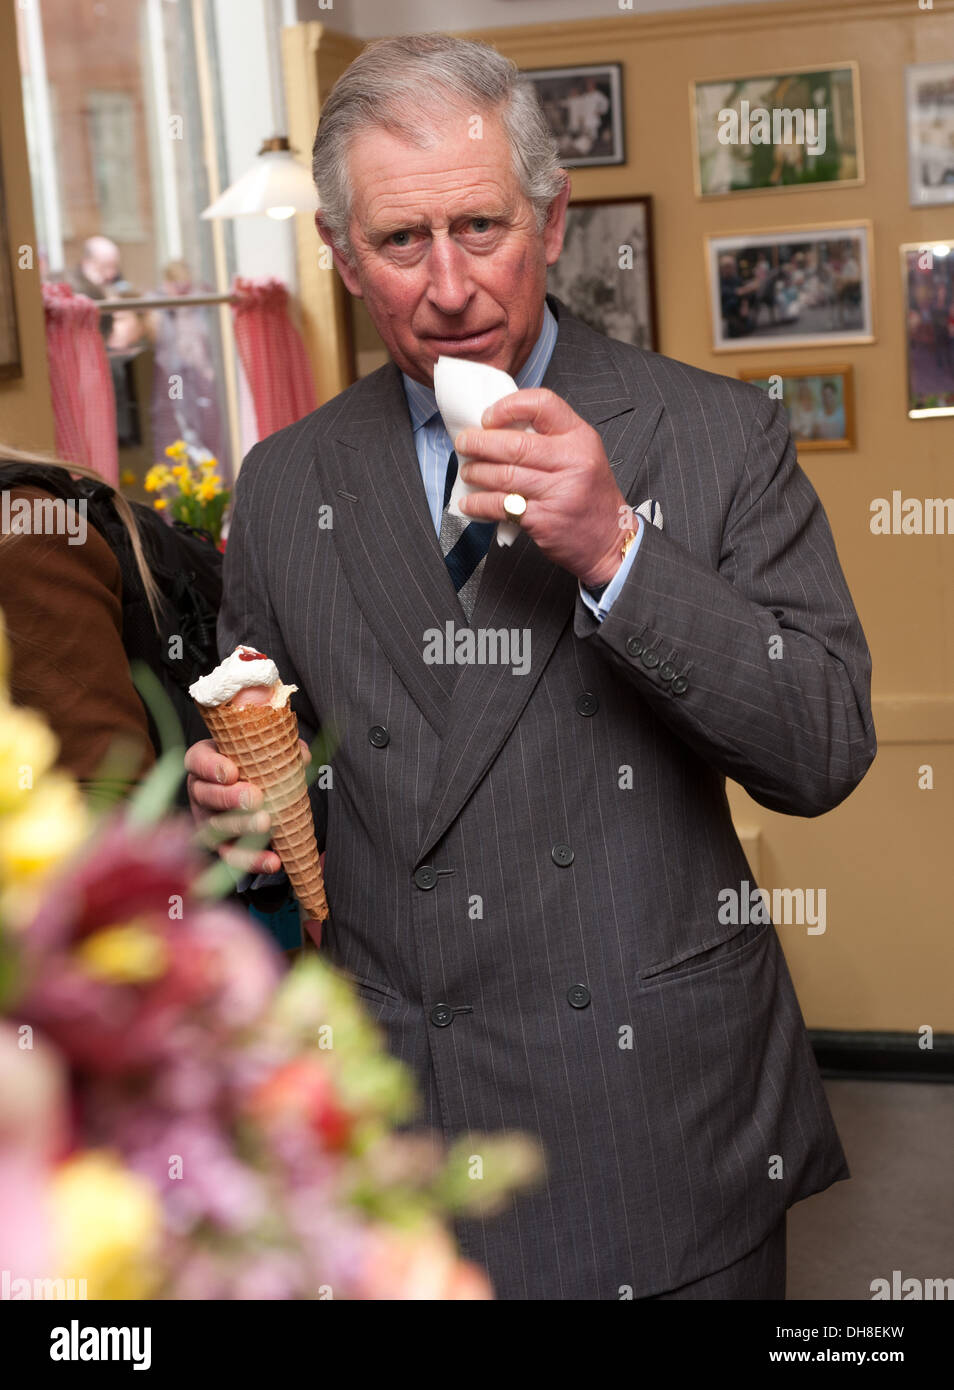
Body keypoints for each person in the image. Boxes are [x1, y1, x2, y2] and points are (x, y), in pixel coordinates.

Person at [185, 34, 876, 1301]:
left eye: (482, 225)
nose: (450, 285)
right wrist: (233, 810)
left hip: (658, 1120)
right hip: (401, 1127)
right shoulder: (287, 483)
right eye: (402, 242)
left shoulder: (715, 434)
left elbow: (824, 747)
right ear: (341, 256)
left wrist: (617, 548)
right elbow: (304, 781)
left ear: (552, 223)